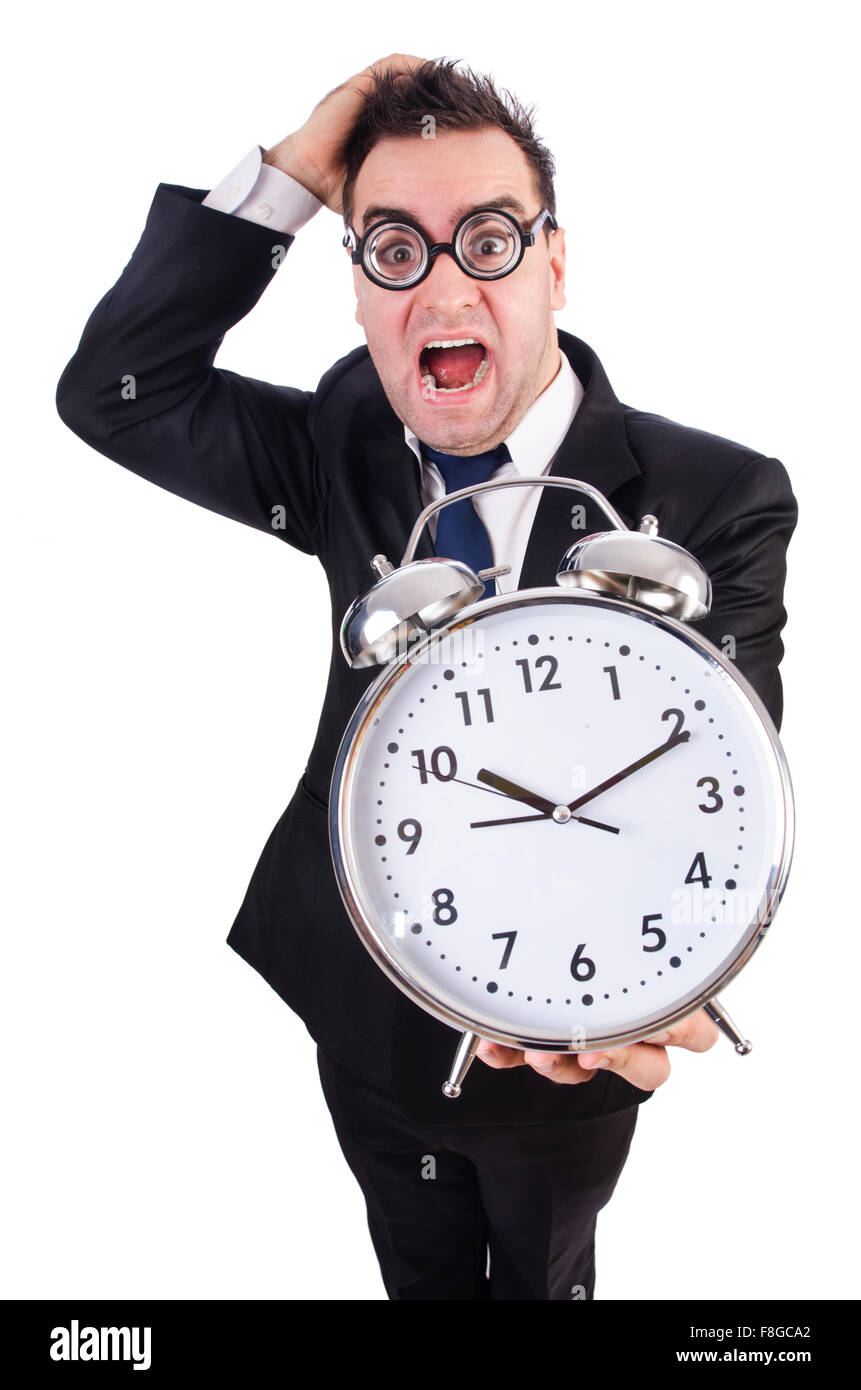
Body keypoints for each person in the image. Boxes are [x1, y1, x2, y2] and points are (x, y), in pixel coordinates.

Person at [55, 55, 797, 1300]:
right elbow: (117, 394)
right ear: (358, 287)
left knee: (545, 1280)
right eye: (394, 248)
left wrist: (666, 985)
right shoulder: (348, 432)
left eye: (490, 240)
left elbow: (728, 774)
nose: (444, 284)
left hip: (564, 1028)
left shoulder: (715, 496)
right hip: (357, 992)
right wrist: (301, 168)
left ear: (556, 262)